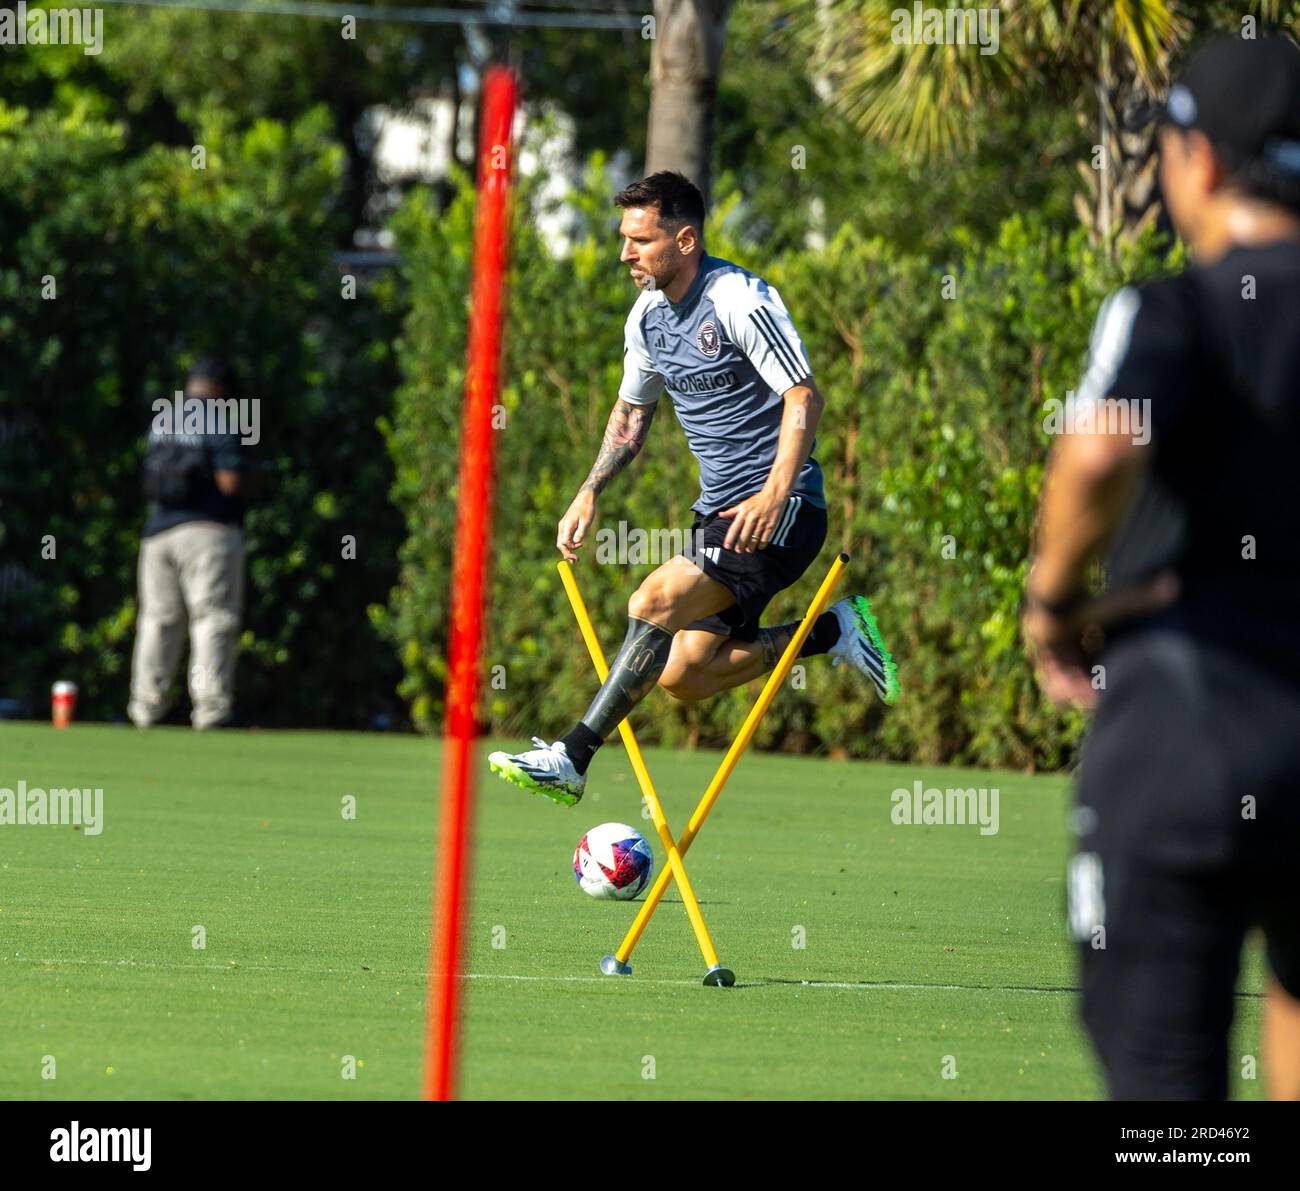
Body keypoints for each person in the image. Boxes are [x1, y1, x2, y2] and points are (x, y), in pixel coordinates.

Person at [1023, 35, 1300, 1100]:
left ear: (1201, 160)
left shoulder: (1175, 309)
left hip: (1184, 745)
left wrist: (1054, 602)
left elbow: (1098, 448)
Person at [489, 171, 898, 806]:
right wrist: (590, 490)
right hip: (718, 516)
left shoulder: (740, 300)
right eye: (624, 239)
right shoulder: (647, 319)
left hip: (783, 508)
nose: (625, 253)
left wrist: (773, 492)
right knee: (683, 673)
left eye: (641, 240)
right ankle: (833, 632)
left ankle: (572, 757)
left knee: (651, 600)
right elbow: (631, 416)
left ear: (684, 240)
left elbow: (804, 397)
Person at [128, 357, 256, 730]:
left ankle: (145, 709)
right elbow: (231, 483)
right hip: (209, 534)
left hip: (157, 534)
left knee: (157, 621)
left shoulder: (163, 420)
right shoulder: (221, 420)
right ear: (221, 388)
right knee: (211, 618)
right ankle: (210, 710)